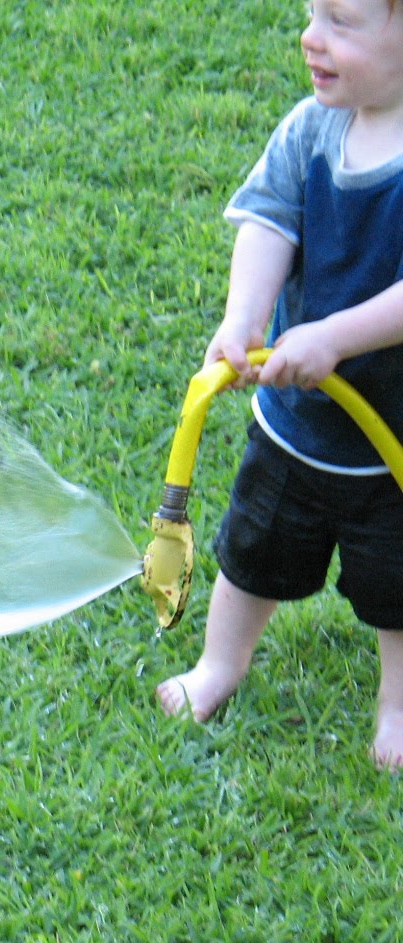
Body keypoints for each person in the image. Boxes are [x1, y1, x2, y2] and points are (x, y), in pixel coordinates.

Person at [155, 0, 403, 769]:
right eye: (308, 13)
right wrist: (245, 321)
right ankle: (219, 666)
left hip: (388, 445)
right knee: (250, 556)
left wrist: (333, 338)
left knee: (398, 586)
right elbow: (269, 221)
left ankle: (398, 705)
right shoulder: (308, 130)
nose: (310, 37)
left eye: (339, 21)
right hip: (292, 427)